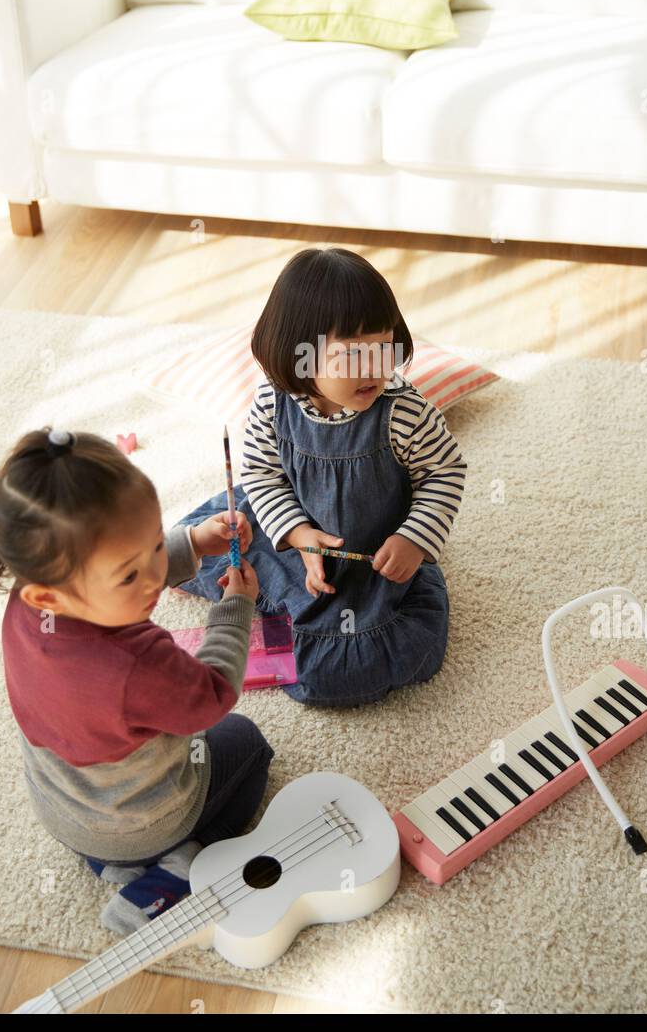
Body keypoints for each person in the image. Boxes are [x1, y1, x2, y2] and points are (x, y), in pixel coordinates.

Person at [0, 426, 273, 935]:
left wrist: (193, 541)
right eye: (129, 576)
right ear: (50, 595)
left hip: (65, 818)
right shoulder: (138, 663)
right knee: (248, 745)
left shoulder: (29, 607)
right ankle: (175, 869)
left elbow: (120, 566)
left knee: (116, 779)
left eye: (156, 544)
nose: (153, 577)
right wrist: (235, 609)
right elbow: (213, 695)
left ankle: (108, 863)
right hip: (148, 824)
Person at [176, 247, 468, 706]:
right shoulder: (274, 400)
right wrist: (296, 533)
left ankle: (289, 610)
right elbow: (260, 472)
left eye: (383, 347)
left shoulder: (404, 413)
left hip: (368, 558)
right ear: (300, 357)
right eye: (353, 356)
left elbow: (444, 472)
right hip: (294, 534)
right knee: (194, 547)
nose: (373, 367)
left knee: (339, 670)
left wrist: (414, 539)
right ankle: (273, 593)